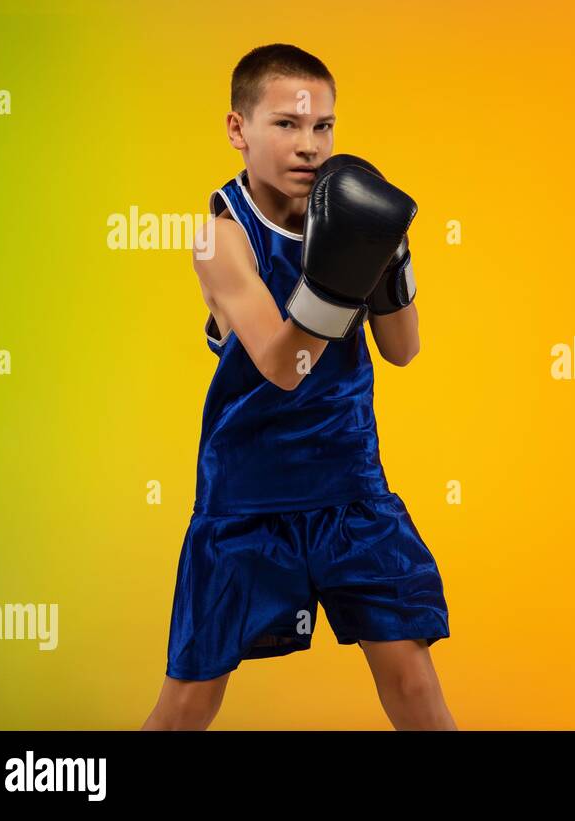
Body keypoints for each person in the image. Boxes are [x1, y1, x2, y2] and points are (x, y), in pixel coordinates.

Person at [141, 43, 454, 730]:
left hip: (350, 488)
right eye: (286, 124)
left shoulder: (348, 214)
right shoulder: (222, 239)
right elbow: (285, 366)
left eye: (323, 127)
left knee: (410, 674)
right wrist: (342, 272)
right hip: (248, 498)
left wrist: (390, 258)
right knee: (191, 698)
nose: (309, 146)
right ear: (237, 129)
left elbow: (402, 350)